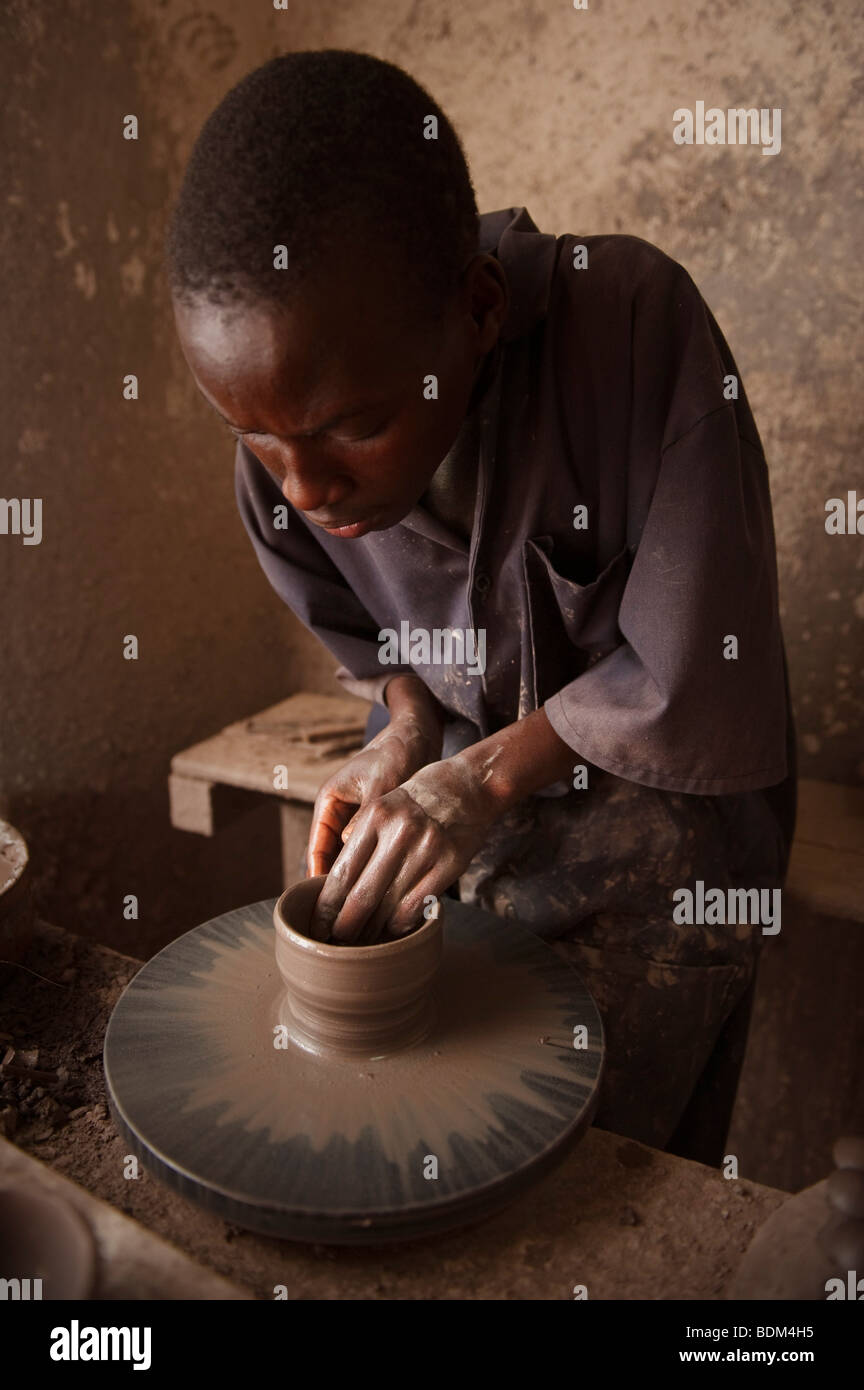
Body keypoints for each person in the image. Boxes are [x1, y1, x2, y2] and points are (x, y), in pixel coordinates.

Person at [167, 50, 796, 1160]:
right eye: (254, 436)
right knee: (395, 1084)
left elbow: (698, 671)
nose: (303, 488)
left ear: (481, 309)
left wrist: (480, 780)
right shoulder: (289, 442)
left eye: (355, 428)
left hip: (666, 809)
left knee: (579, 1156)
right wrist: (407, 734)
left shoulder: (636, 327)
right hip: (463, 784)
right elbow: (382, 653)